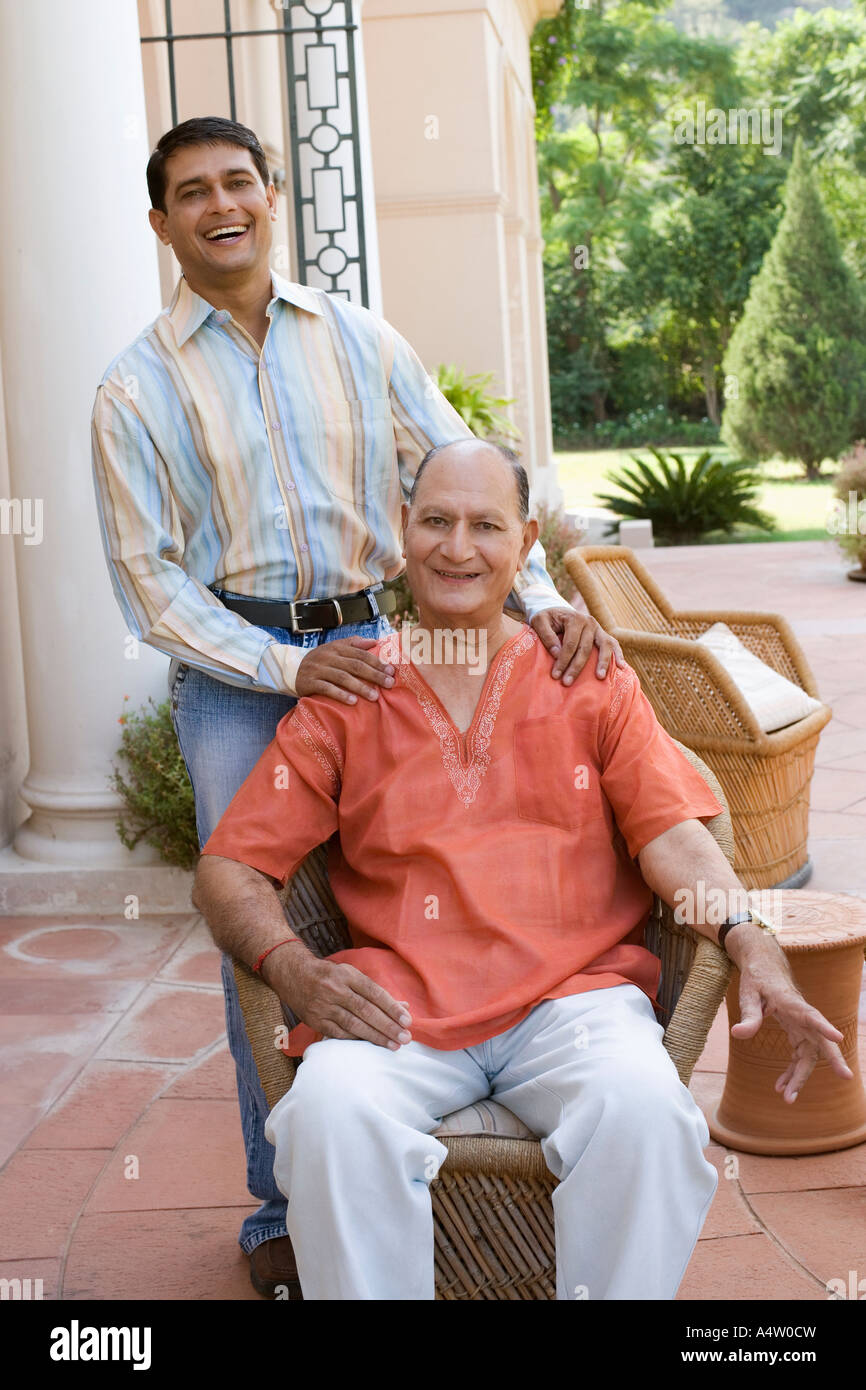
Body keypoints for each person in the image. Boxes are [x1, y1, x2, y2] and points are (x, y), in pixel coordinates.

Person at [90, 117, 621, 1297]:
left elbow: (456, 464)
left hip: (377, 641)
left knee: (418, 872)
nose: (220, 204)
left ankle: (433, 1120)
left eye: (239, 182)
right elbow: (148, 580)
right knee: (259, 921)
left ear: (273, 195)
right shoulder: (132, 387)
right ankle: (285, 1204)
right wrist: (282, 669)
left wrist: (534, 601)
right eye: (192, 192)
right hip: (240, 674)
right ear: (161, 221)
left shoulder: (359, 335)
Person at [193, 439, 852, 1301]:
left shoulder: (590, 677)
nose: (456, 548)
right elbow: (229, 868)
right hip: (400, 1009)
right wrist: (294, 970)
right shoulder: (353, 695)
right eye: (435, 520)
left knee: (650, 1115)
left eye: (484, 526)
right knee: (324, 1115)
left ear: (525, 539)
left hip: (574, 1001)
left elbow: (673, 837)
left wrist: (746, 933)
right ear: (402, 530)